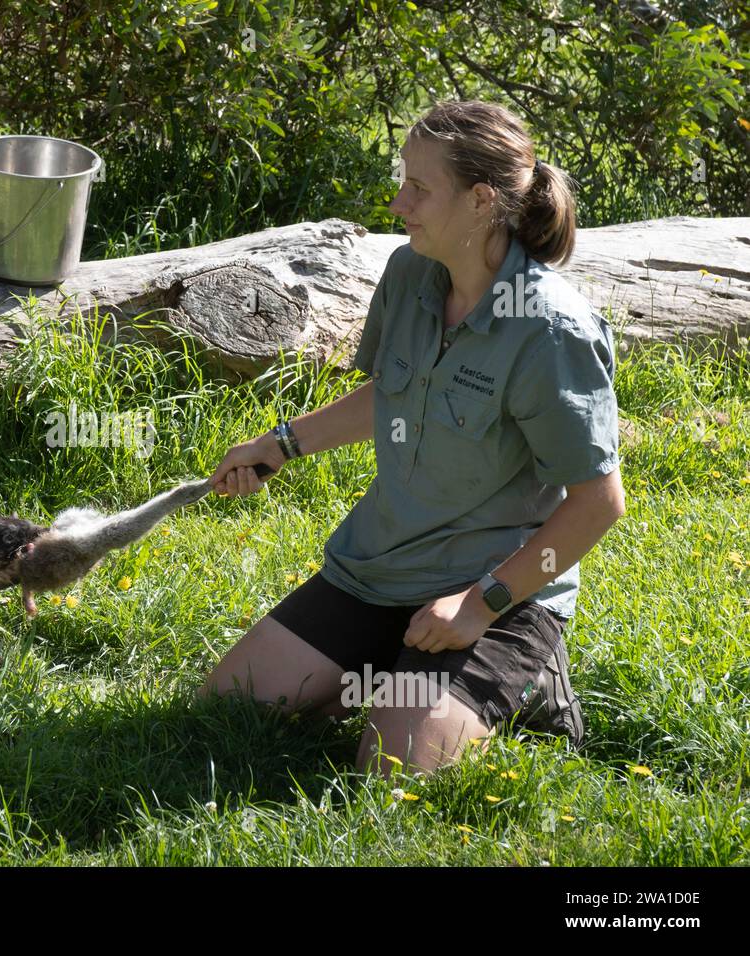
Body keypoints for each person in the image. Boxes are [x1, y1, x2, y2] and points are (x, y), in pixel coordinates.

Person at [197, 99, 625, 780]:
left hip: (494, 590)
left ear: (483, 201)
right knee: (227, 707)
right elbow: (391, 395)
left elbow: (598, 502)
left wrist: (481, 604)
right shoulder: (409, 274)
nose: (398, 202)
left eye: (419, 188)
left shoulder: (551, 332)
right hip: (381, 567)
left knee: (391, 773)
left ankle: (533, 685)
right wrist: (277, 443)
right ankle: (399, 672)